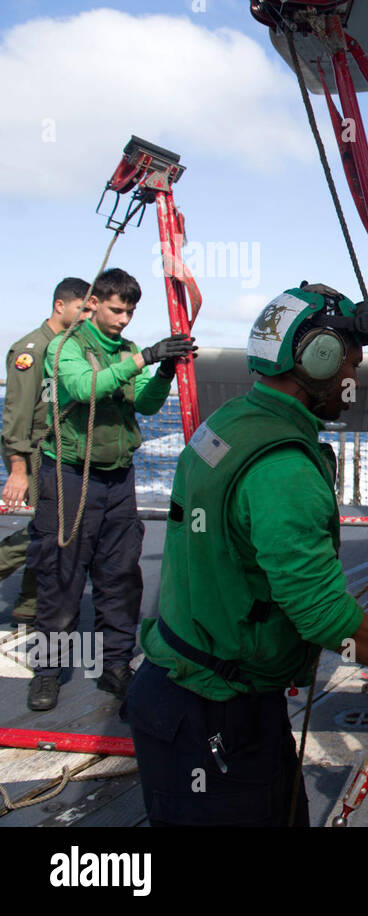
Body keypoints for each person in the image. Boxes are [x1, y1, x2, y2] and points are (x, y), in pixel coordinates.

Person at [125, 283, 368, 827]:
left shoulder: (232, 421)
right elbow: (322, 614)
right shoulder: (285, 466)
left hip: (183, 690)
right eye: (349, 365)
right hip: (217, 715)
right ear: (318, 359)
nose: (352, 381)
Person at [25, 269, 195, 712]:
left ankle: (114, 665)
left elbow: (146, 403)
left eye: (131, 312)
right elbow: (84, 387)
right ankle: (47, 672)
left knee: (120, 576)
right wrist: (144, 359)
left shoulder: (127, 350)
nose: (123, 320)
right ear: (94, 303)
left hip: (118, 478)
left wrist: (163, 371)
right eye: (117, 309)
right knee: (61, 575)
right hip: (68, 476)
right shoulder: (65, 347)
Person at [1, 278, 89, 624]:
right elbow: (17, 413)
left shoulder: (70, 348)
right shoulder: (33, 350)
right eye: (81, 309)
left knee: (52, 528)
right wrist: (17, 469)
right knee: (45, 528)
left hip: (58, 449)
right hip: (35, 451)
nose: (85, 317)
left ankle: (30, 602)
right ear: (60, 306)